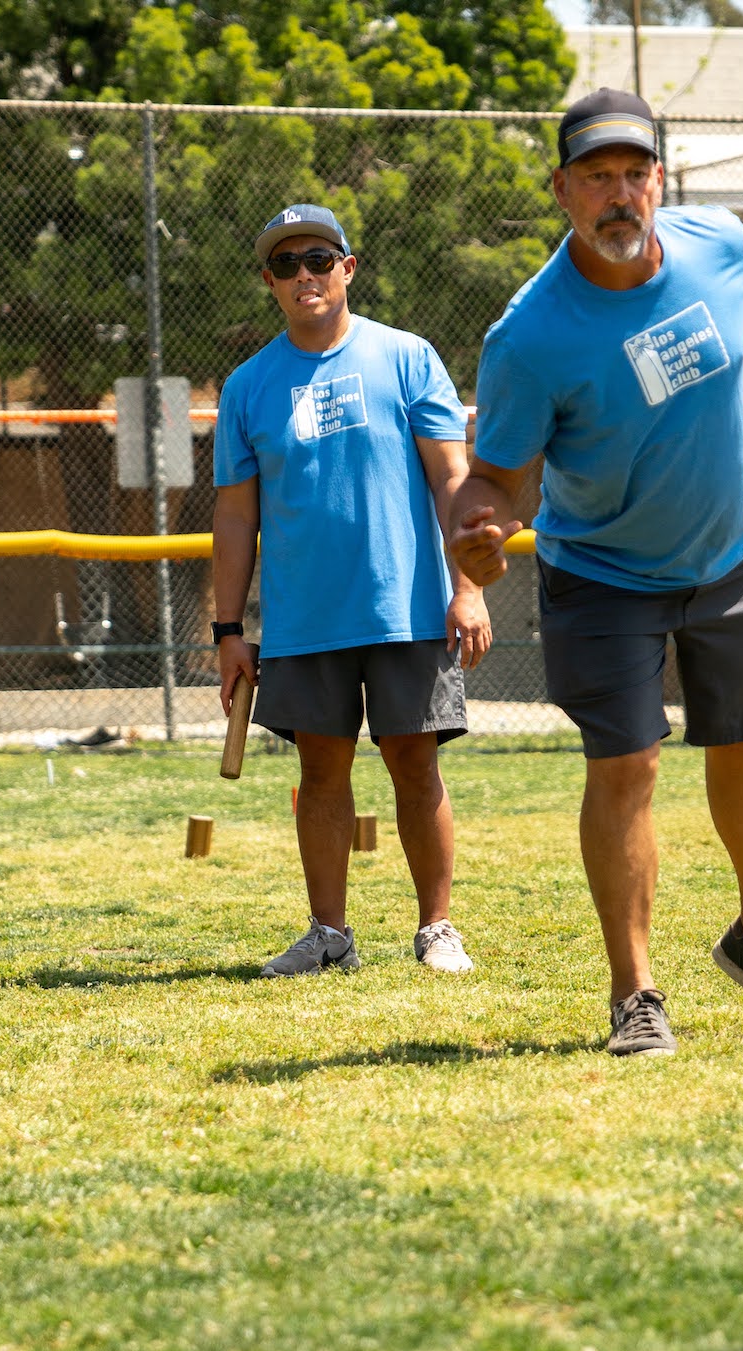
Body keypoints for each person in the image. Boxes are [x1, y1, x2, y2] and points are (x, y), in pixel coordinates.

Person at [448, 88, 743, 1057]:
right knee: (625, 763)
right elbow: (493, 474)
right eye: (597, 178)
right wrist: (473, 528)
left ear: (659, 180)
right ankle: (634, 992)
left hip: (730, 548)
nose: (619, 195)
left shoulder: (719, 245)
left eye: (634, 173)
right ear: (561, 192)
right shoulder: (529, 335)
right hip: (603, 570)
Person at [213, 203, 486, 979]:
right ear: (268, 280)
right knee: (320, 774)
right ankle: (329, 935)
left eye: (320, 259)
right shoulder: (248, 386)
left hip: (406, 607)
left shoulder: (406, 357)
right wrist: (227, 629)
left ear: (348, 268)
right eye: (288, 263)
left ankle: (437, 927)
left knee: (415, 763)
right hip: (302, 619)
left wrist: (467, 587)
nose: (306, 274)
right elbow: (234, 516)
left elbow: (452, 481)